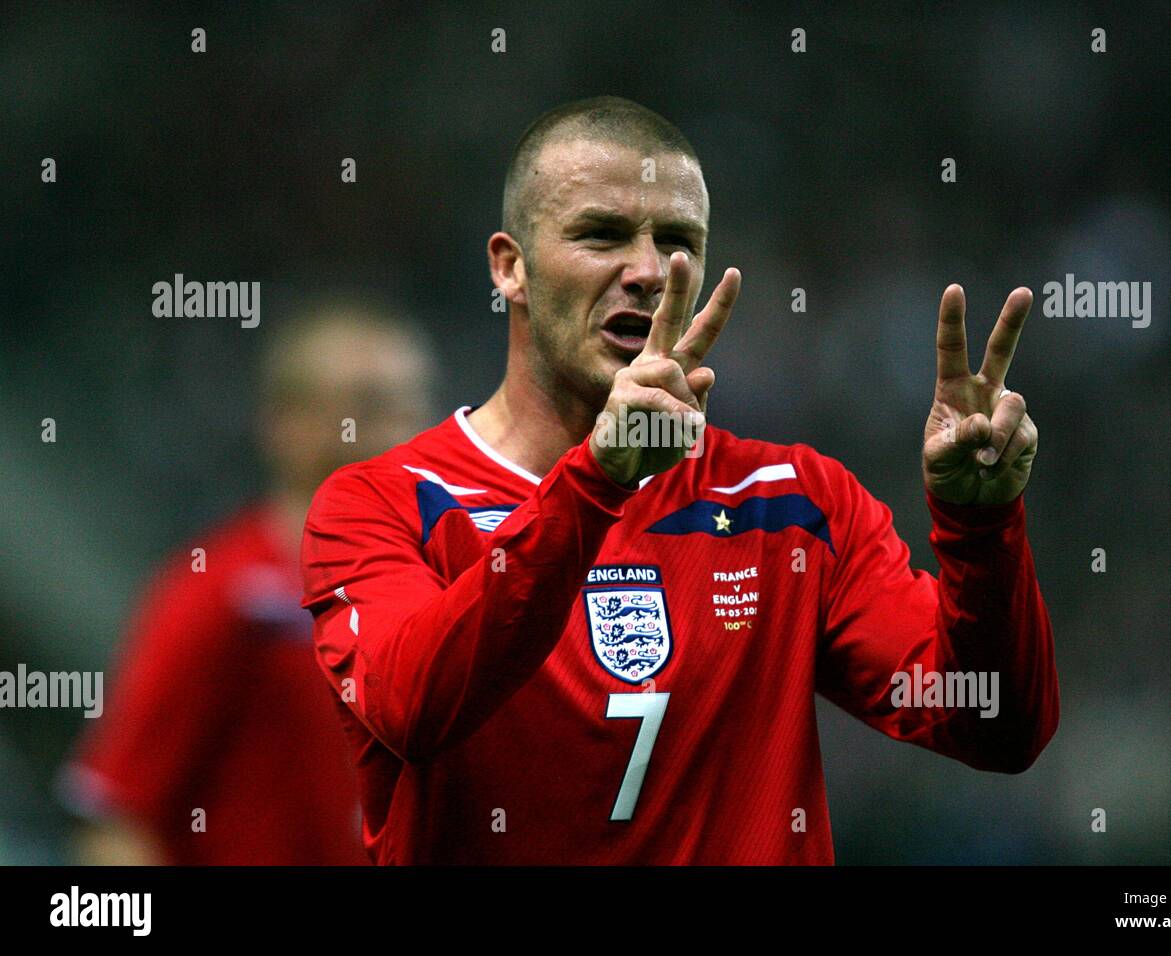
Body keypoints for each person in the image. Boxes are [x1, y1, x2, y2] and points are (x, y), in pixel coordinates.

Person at [300, 95, 1059, 864]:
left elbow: (995, 728)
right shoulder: (384, 503)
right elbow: (413, 708)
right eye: (601, 235)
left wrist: (979, 527)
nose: (648, 272)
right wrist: (597, 479)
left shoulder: (791, 502)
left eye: (677, 241)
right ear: (510, 267)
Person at [60, 300, 438, 865]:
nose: (402, 430)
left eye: (414, 402)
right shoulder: (225, 592)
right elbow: (118, 820)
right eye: (370, 405)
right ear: (286, 424)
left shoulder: (446, 589)